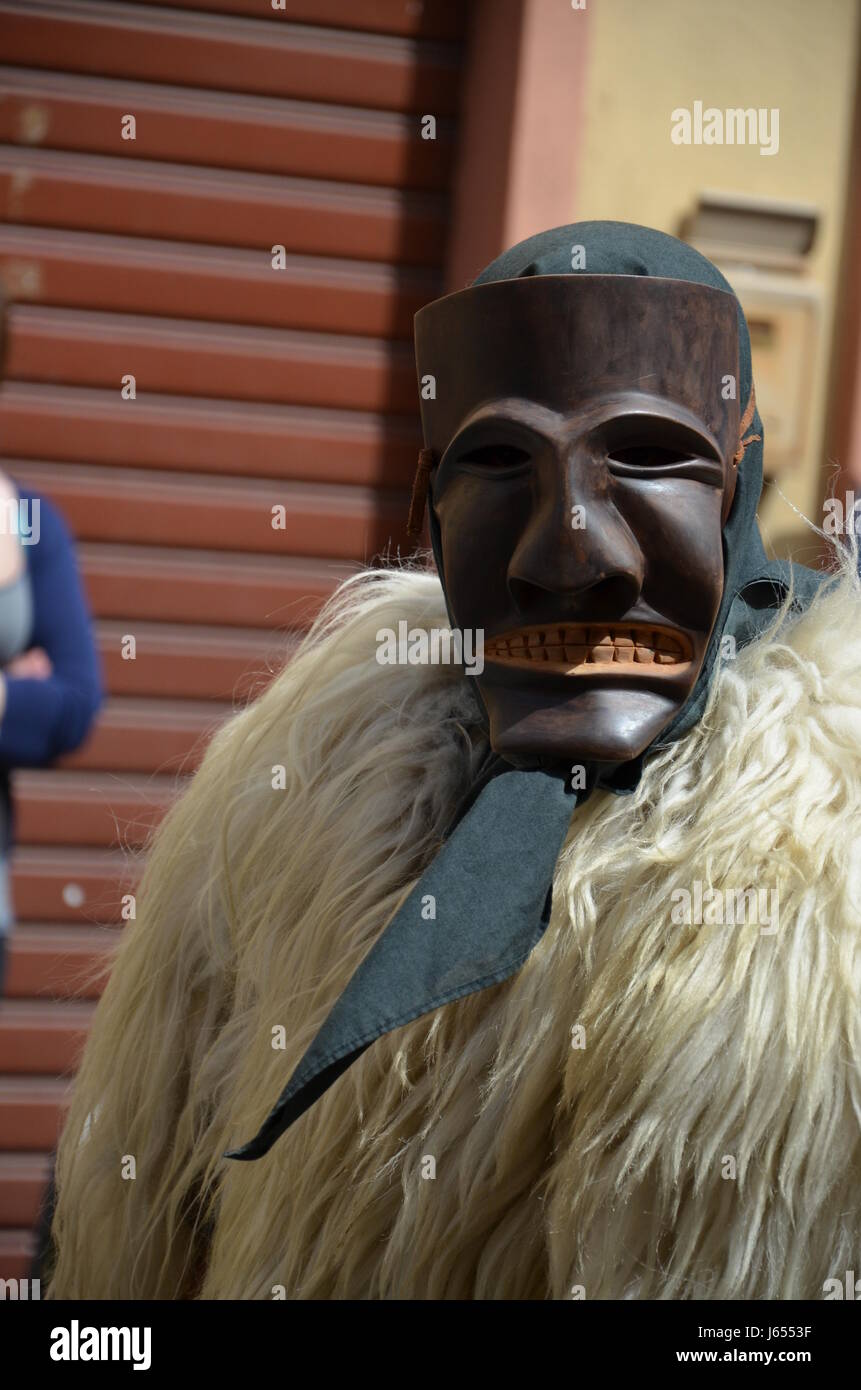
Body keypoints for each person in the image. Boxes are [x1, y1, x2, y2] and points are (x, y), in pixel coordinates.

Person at [47, 223, 860, 1300]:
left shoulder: (829, 869)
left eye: (651, 457)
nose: (568, 555)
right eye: (498, 463)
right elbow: (125, 1257)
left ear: (737, 474)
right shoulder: (294, 805)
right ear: (431, 499)